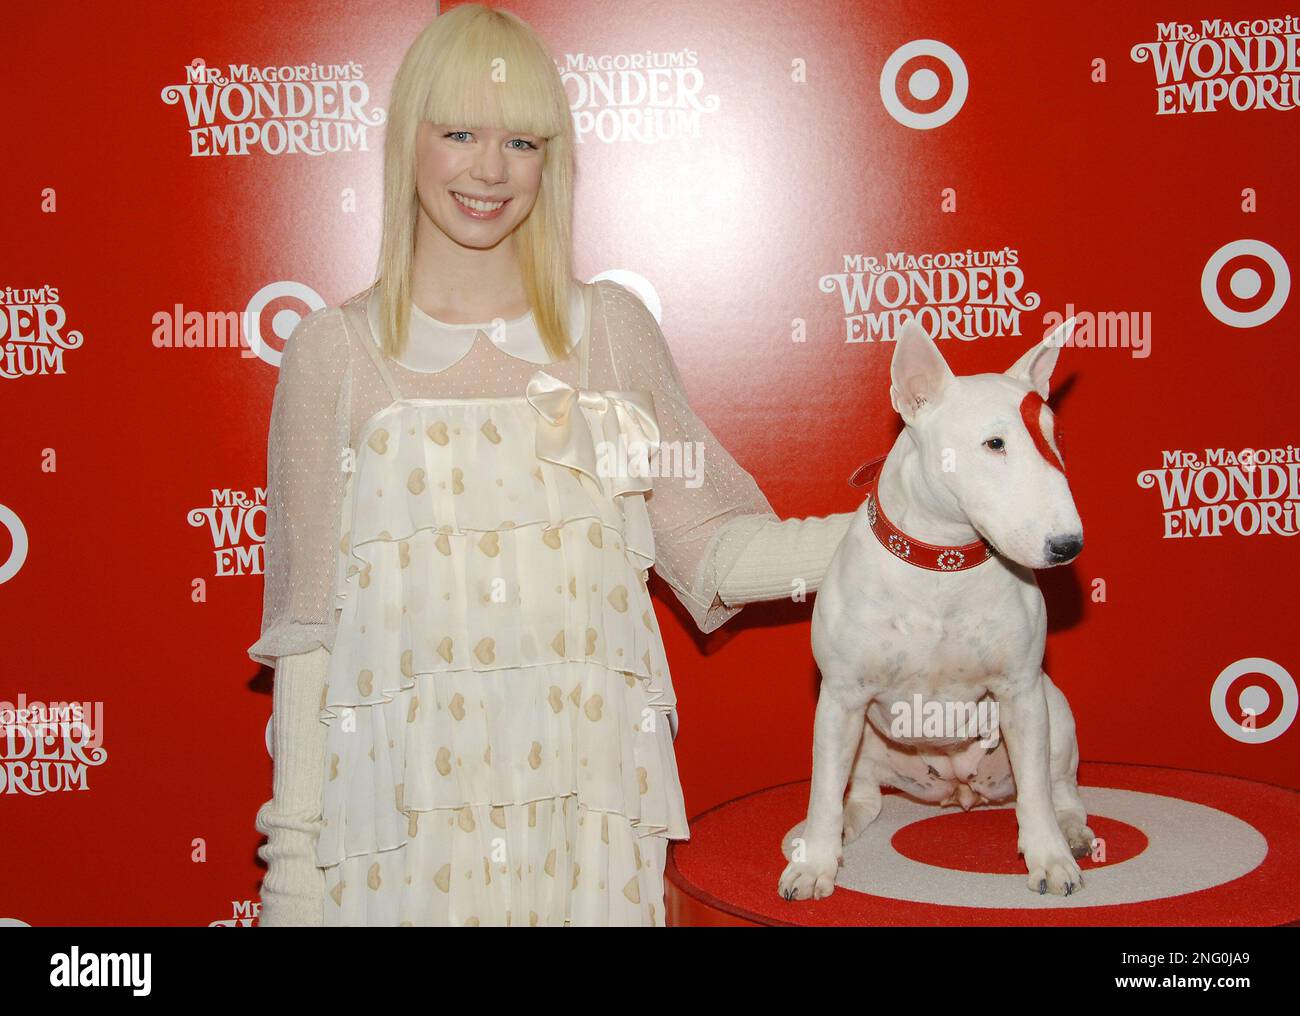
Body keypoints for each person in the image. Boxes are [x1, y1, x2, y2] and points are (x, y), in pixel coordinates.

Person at [249, 3, 854, 927]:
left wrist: (892, 531)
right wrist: (292, 876)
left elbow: (714, 549)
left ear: (553, 159)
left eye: (522, 141)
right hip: (394, 856)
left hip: (585, 853)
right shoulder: (335, 353)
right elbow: (308, 638)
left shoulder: (610, 334)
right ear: (407, 140)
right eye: (459, 133)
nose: (490, 170)